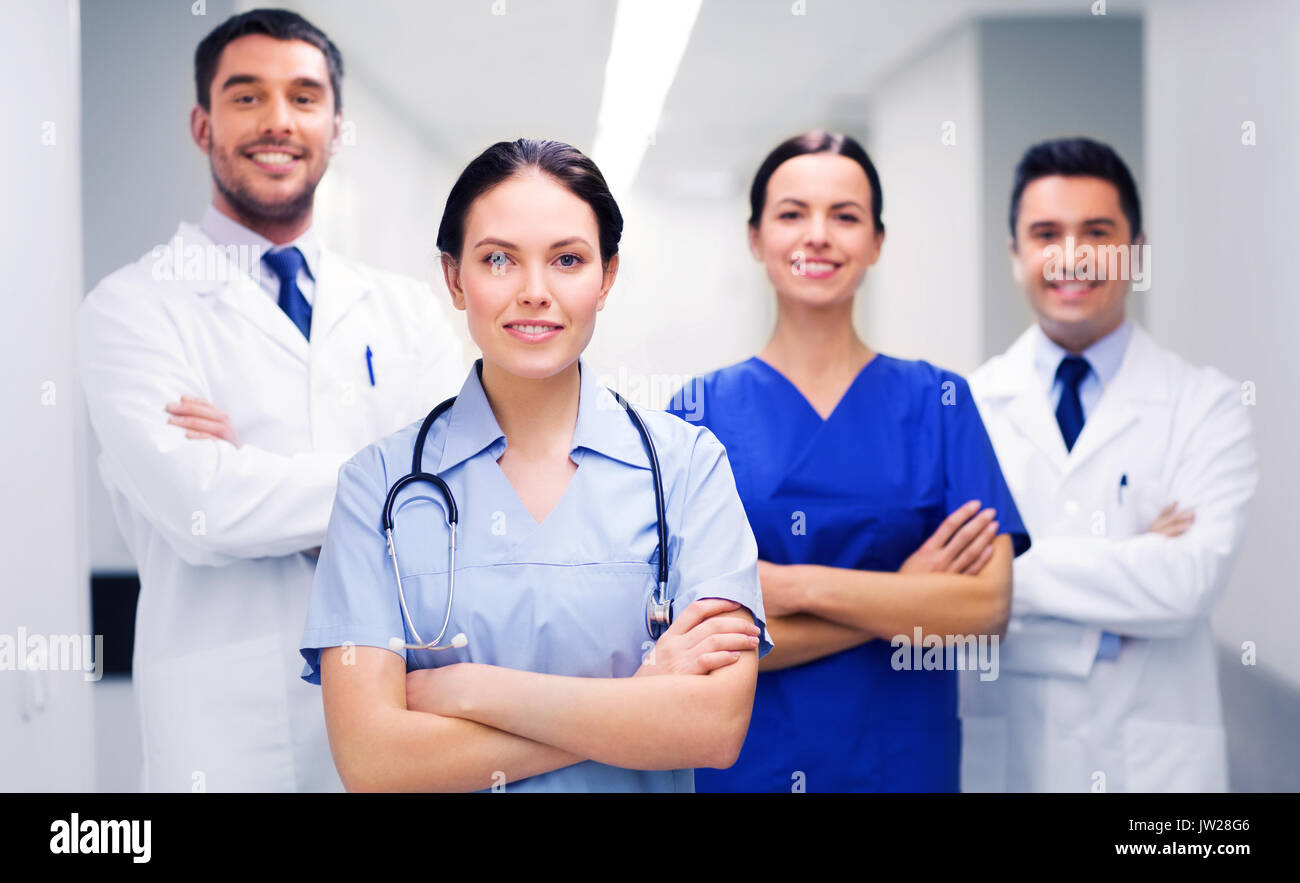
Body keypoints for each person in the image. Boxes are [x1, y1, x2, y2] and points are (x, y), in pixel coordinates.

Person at [300, 138, 772, 792]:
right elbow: (374, 763)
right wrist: (638, 699)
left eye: (568, 260)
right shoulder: (375, 486)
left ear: (606, 278)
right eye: (498, 259)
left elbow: (714, 726)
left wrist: (469, 688)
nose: (534, 292)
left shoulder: (687, 467)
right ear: (454, 279)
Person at [76, 9, 464, 792]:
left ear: (335, 125)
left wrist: (249, 466)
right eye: (247, 96)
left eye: (304, 97)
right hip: (220, 738)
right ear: (201, 122)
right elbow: (204, 509)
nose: (278, 121)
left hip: (395, 711)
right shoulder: (131, 307)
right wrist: (383, 484)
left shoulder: (409, 312)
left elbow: (447, 505)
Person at [664, 131, 1030, 792]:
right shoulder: (698, 411)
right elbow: (694, 642)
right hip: (752, 765)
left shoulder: (939, 400)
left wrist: (790, 586)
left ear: (877, 243)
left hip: (902, 766)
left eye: (846, 216)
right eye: (792, 213)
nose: (818, 235)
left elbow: (985, 608)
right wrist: (907, 592)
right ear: (755, 238)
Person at [960, 137, 1258, 792]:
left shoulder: (1205, 405)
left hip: (1153, 771)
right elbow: (940, 594)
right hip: (1011, 755)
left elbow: (1188, 583)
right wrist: (1128, 566)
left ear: (1137, 251)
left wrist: (998, 573)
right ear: (1015, 254)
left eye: (1097, 231)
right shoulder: (966, 406)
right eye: (1046, 233)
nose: (1071, 255)